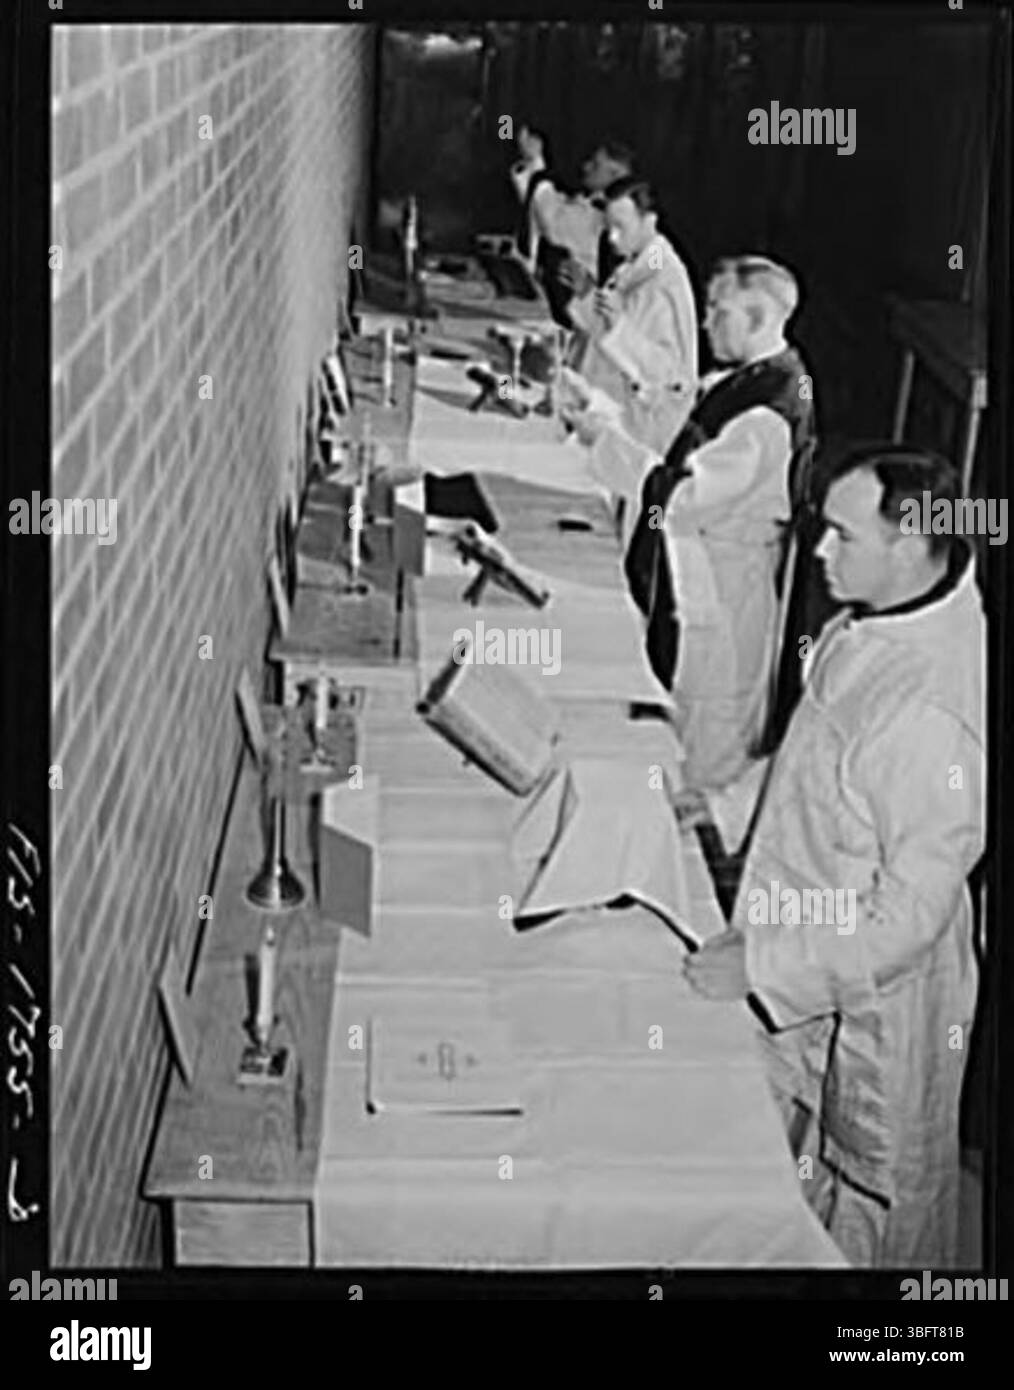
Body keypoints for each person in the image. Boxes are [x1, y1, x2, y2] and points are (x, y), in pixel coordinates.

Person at [679, 444, 986, 1269]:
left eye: (841, 536)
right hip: (809, 937)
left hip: (876, 996)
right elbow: (809, 759)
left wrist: (764, 964)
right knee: (794, 1174)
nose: (817, 550)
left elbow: (907, 921)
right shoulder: (875, 619)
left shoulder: (931, 712)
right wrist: (718, 803)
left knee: (867, 1216)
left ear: (911, 545)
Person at [624, 255, 814, 788]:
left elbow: (685, 498)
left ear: (757, 320)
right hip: (713, 561)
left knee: (710, 722)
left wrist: (605, 442)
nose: (705, 322)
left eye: (718, 311)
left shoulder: (765, 413)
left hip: (724, 581)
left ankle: (691, 841)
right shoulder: (761, 378)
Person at [564, 178, 699, 456]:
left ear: (649, 221)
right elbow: (604, 332)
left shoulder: (666, 280)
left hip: (636, 430)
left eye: (620, 227)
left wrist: (619, 326)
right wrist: (588, 294)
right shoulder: (636, 266)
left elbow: (672, 374)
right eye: (608, 227)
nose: (611, 238)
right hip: (602, 411)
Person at [515, 139, 636, 327]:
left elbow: (553, 222)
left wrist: (535, 162)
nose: (586, 167)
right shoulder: (586, 204)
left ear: (616, 175)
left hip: (586, 319)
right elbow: (547, 210)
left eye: (596, 165)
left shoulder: (605, 216)